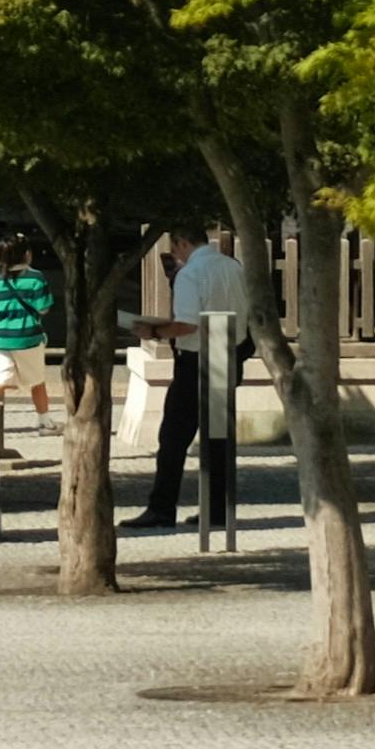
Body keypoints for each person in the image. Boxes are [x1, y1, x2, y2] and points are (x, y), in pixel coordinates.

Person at [130, 223, 246, 531]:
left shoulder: (190, 274)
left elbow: (187, 324)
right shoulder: (234, 267)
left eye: (175, 248)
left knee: (173, 438)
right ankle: (218, 509)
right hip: (227, 353)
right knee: (217, 438)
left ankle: (162, 507)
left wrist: (153, 330)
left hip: (196, 360)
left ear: (181, 243)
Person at [0, 231, 56, 455]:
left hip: (3, 339)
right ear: (27, 254)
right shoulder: (36, 278)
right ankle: (44, 421)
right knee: (37, 380)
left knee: (0, 381)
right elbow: (44, 307)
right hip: (28, 337)